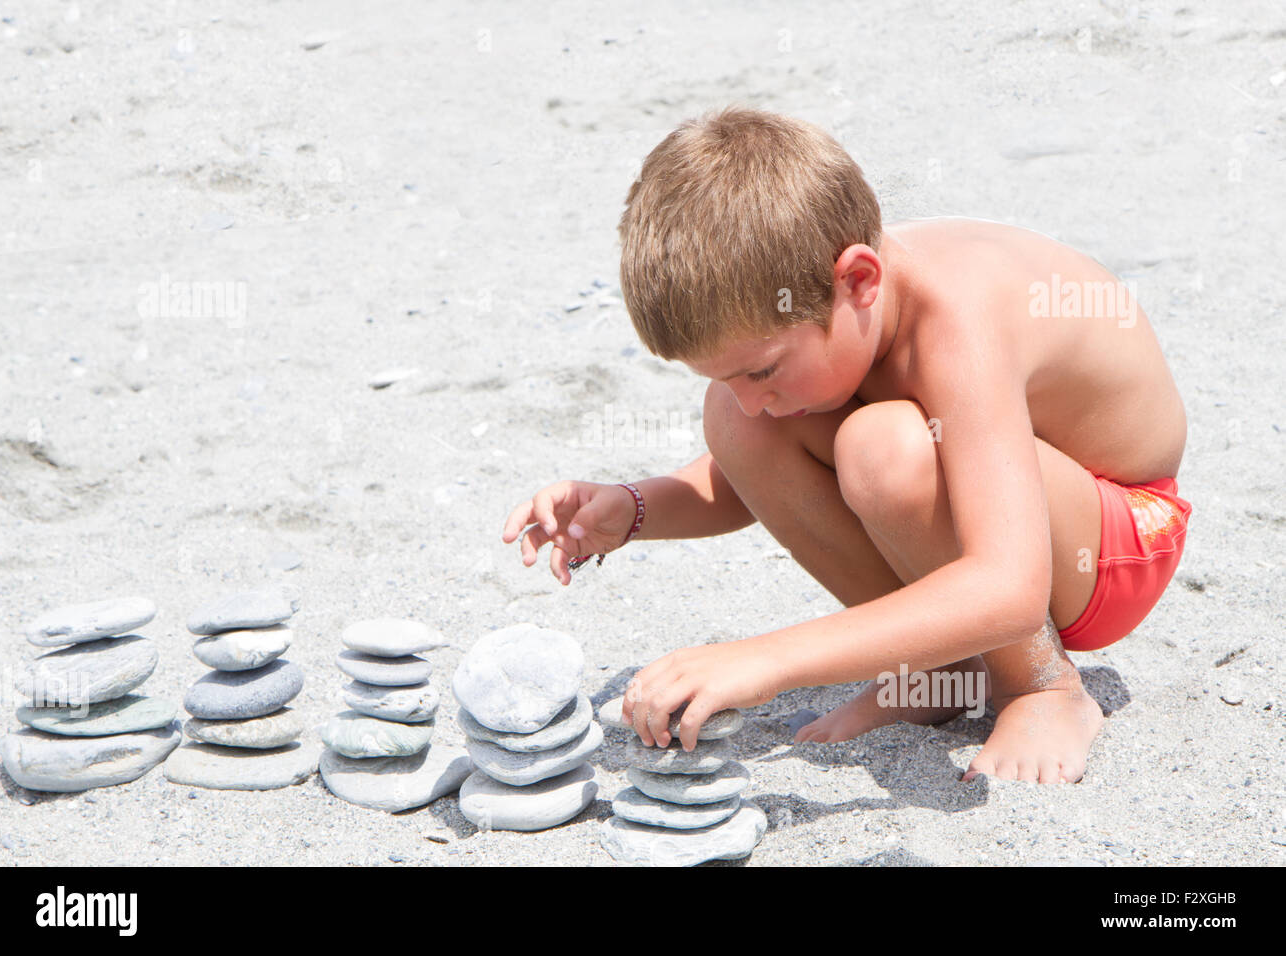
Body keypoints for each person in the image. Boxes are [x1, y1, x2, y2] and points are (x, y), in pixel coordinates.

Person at [501, 106, 1190, 784]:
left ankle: (1040, 686)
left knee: (884, 448)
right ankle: (938, 669)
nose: (748, 394)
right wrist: (631, 507)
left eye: (761, 369)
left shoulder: (957, 321)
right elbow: (746, 474)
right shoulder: (826, 301)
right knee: (746, 426)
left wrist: (767, 660)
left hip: (1121, 535)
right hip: (1011, 495)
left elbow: (1010, 587)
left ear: (858, 280)